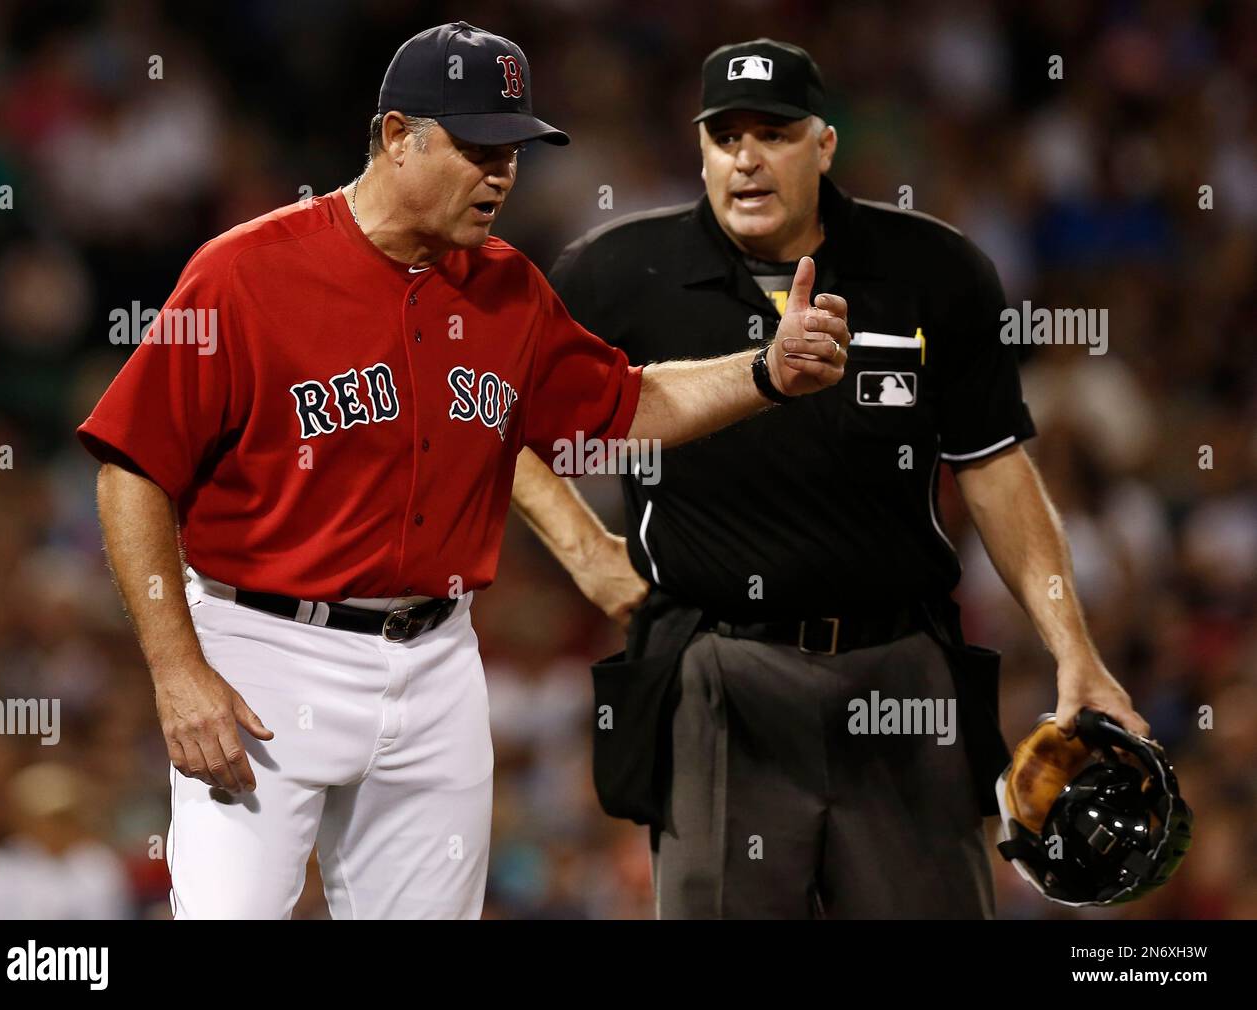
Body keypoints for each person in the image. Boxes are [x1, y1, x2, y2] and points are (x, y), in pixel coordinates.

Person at [75, 22, 848, 920]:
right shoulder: (245, 272)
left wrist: (767, 372)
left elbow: (627, 405)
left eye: (514, 150)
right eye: (479, 147)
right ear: (399, 135)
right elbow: (131, 465)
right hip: (266, 654)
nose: (502, 174)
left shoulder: (508, 288)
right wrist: (176, 668)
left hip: (439, 657)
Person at [511, 36, 1149, 919]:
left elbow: (996, 468)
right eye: (724, 135)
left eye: (772, 133)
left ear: (824, 144)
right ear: (698, 150)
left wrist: (1074, 650)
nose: (746, 158)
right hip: (719, 679)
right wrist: (587, 553)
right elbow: (494, 417)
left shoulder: (933, 269)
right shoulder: (619, 272)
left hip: (901, 680)